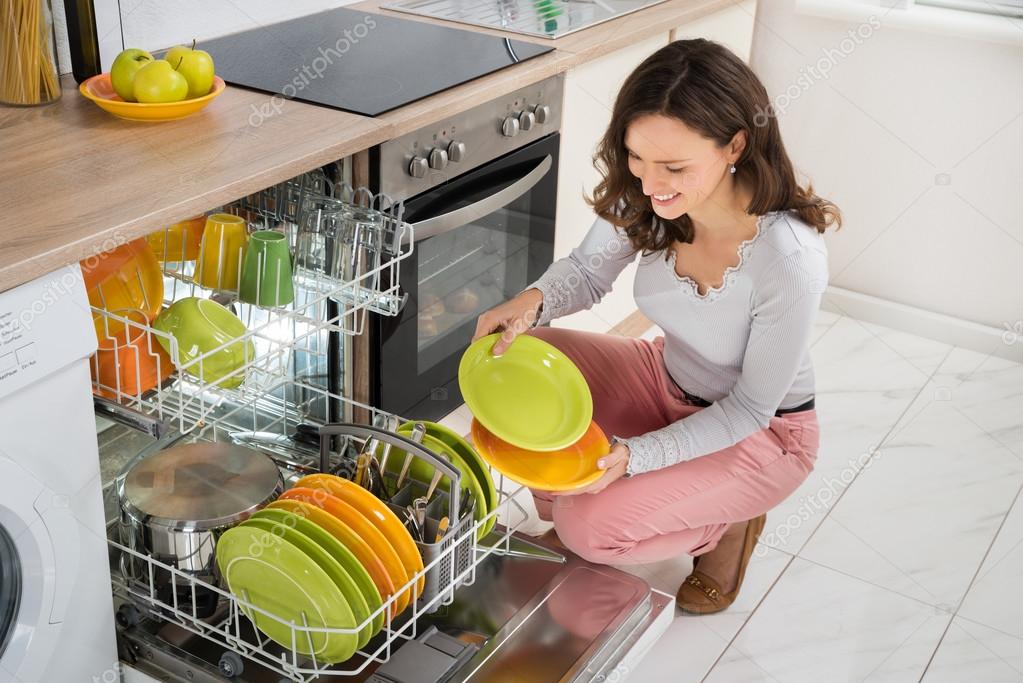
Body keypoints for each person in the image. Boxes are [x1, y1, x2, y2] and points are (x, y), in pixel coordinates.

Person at [472, 38, 841, 614]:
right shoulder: (650, 192)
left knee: (587, 528)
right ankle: (605, 511)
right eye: (637, 159)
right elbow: (588, 272)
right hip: (663, 378)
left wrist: (635, 456)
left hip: (761, 434)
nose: (650, 183)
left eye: (674, 166)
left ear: (735, 145)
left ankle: (722, 525)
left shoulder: (789, 258)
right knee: (522, 361)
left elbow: (748, 411)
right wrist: (531, 303)